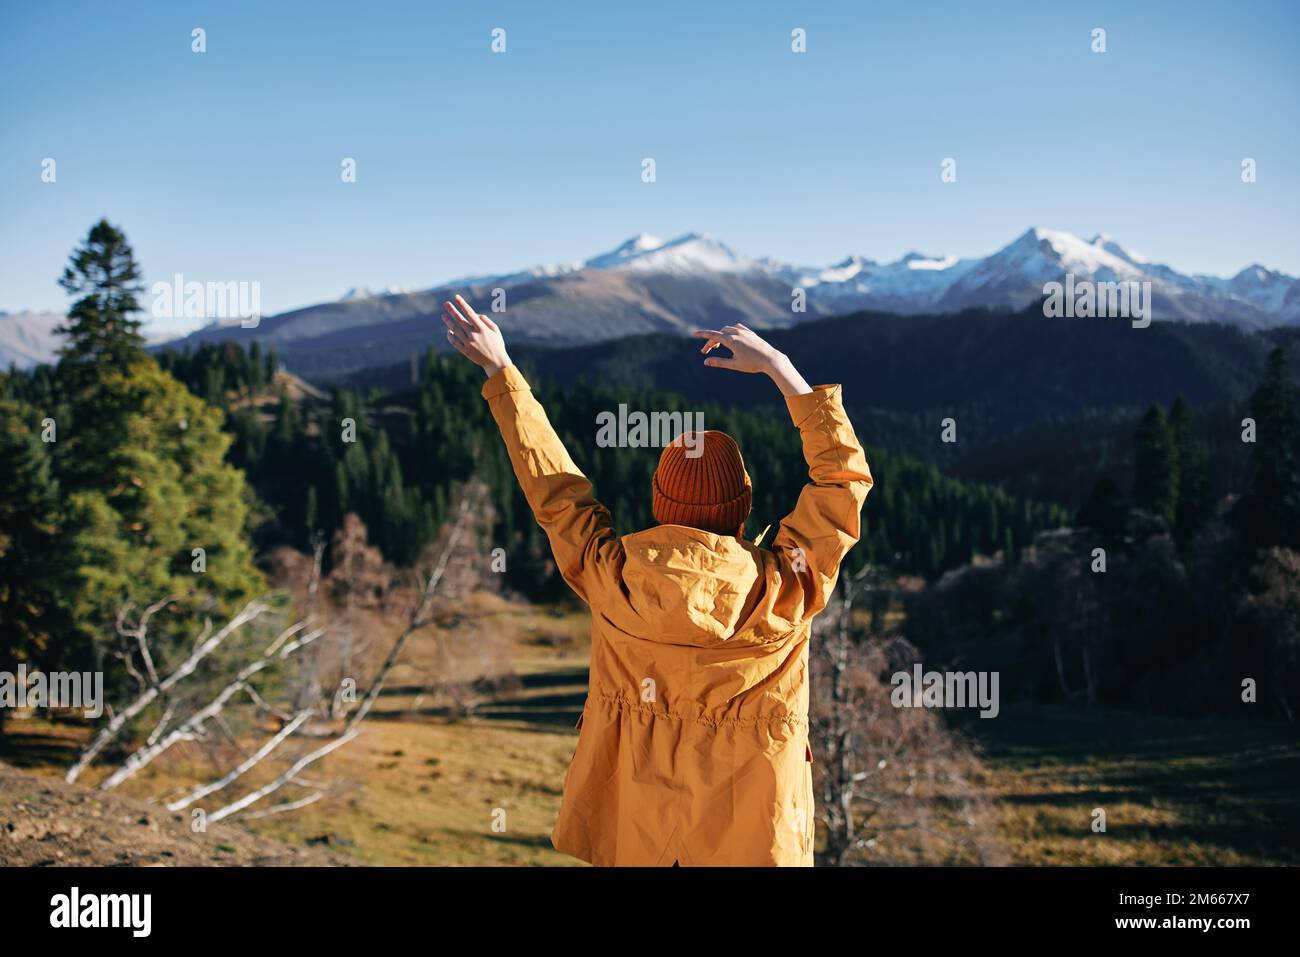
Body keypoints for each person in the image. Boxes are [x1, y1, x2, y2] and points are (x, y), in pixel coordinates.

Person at [440, 294, 873, 866]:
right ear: (742, 507)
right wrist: (777, 365)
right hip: (754, 841)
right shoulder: (787, 586)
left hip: (637, 835)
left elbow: (553, 489)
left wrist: (501, 371)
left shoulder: (609, 574)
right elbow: (842, 480)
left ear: (658, 504)